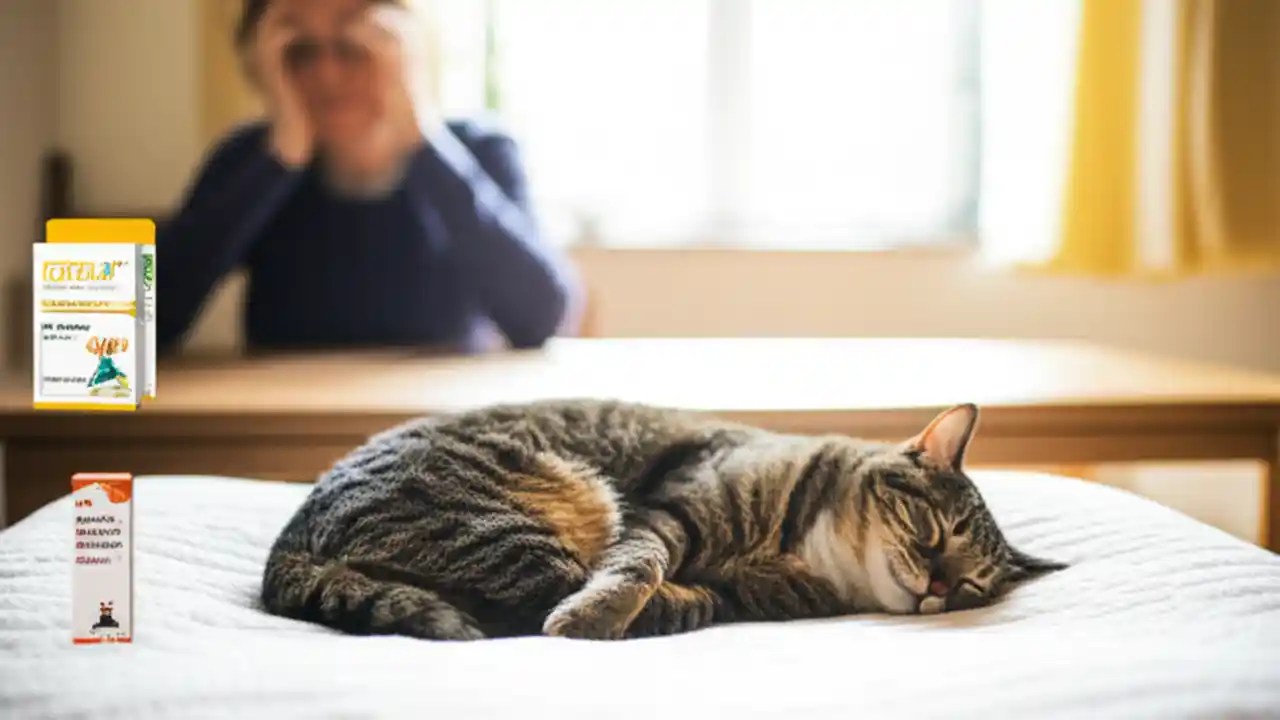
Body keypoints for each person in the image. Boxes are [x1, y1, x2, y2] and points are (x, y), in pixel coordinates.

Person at [157, 0, 582, 353]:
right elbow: (144, 325)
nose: (328, 75)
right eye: (300, 51)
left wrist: (421, 139)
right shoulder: (250, 158)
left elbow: (542, 318)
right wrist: (280, 158)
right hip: (291, 423)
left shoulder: (482, 149)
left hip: (439, 423)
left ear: (406, 44)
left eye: (353, 46)